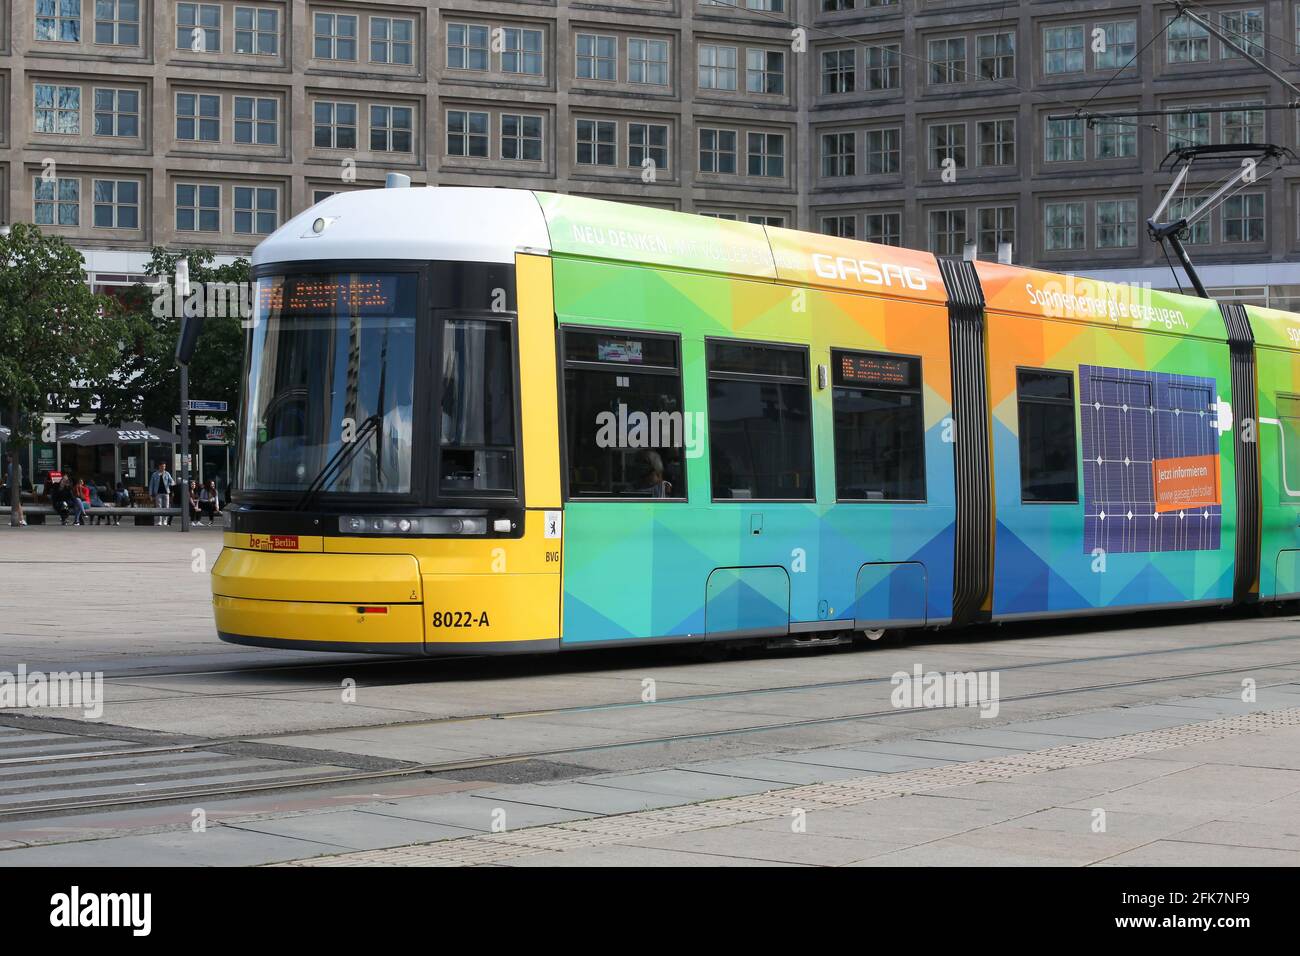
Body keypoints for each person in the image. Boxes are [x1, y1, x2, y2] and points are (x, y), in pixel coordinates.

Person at [148, 461, 175, 526]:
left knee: (166, 507)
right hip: (158, 493)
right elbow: (151, 484)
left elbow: (172, 481)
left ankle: (165, 521)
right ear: (159, 466)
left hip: (166, 492)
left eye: (164, 466)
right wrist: (150, 494)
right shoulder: (155, 474)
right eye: (162, 466)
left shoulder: (167, 473)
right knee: (159, 507)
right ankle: (159, 521)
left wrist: (170, 484)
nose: (164, 468)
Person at [5, 453, 25, 526]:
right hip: (19, 485)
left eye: (8, 457)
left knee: (15, 503)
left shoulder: (11, 465)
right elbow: (20, 476)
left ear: (11, 458)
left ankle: (21, 519)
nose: (7, 458)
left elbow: (12, 477)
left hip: (12, 487)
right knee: (17, 502)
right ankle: (20, 519)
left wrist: (7, 476)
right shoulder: (19, 465)